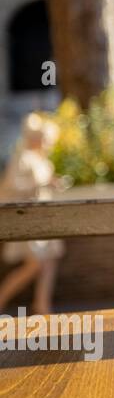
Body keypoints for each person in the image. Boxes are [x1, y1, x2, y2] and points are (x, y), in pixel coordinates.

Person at [0, 113, 66, 316]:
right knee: (35, 264)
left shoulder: (41, 160)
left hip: (42, 219)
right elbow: (12, 186)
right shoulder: (23, 158)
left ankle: (42, 305)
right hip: (27, 219)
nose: (48, 144)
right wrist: (41, 184)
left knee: (48, 262)